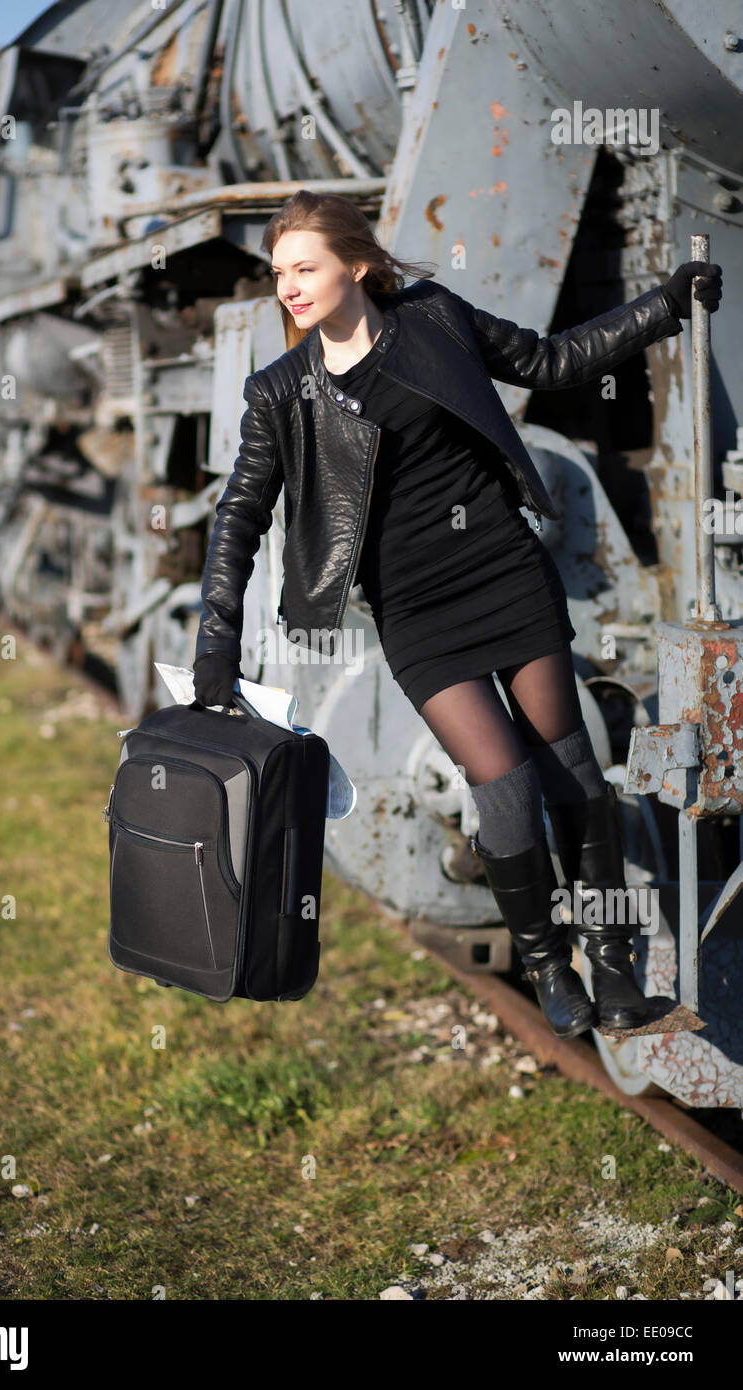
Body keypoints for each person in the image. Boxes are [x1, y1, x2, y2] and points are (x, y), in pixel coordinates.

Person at [193, 190, 722, 1040]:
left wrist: (663, 306)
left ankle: (614, 963)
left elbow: (551, 361)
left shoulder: (434, 317)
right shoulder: (280, 393)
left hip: (503, 571)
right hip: (415, 611)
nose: (289, 287)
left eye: (305, 268)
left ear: (355, 264)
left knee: (571, 773)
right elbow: (239, 515)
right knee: (503, 784)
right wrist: (217, 637)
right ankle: (549, 964)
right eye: (279, 274)